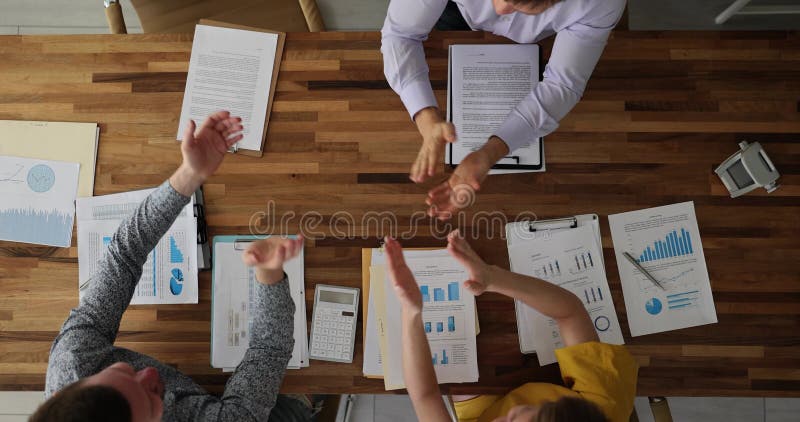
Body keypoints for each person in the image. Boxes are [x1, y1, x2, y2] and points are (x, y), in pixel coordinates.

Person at [32, 111, 313, 422]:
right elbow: (269, 351)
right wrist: (269, 274)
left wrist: (188, 176)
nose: (148, 373)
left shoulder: (72, 363)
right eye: (151, 399)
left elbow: (124, 253)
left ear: (67, 390)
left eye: (122, 371)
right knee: (305, 396)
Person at [381, 0, 626, 219]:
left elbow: (562, 84)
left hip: (551, 34)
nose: (498, 9)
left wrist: (490, 152)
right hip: (457, 14)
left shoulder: (604, 3)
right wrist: (427, 119)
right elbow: (401, 35)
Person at [382, 231, 638, 422]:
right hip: (567, 388)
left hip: (480, 412)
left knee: (463, 387)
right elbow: (571, 312)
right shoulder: (604, 404)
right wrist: (493, 277)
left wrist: (411, 311)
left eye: (511, 420)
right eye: (530, 411)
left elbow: (425, 395)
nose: (512, 412)